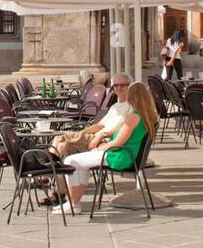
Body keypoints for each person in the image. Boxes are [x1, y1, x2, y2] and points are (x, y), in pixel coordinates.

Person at [57, 81, 158, 214]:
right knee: (81, 165)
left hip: (119, 156)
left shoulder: (133, 117)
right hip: (127, 156)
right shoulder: (148, 116)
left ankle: (74, 204)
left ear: (133, 97)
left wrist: (100, 148)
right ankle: (74, 203)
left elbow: (118, 142)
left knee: (70, 161)